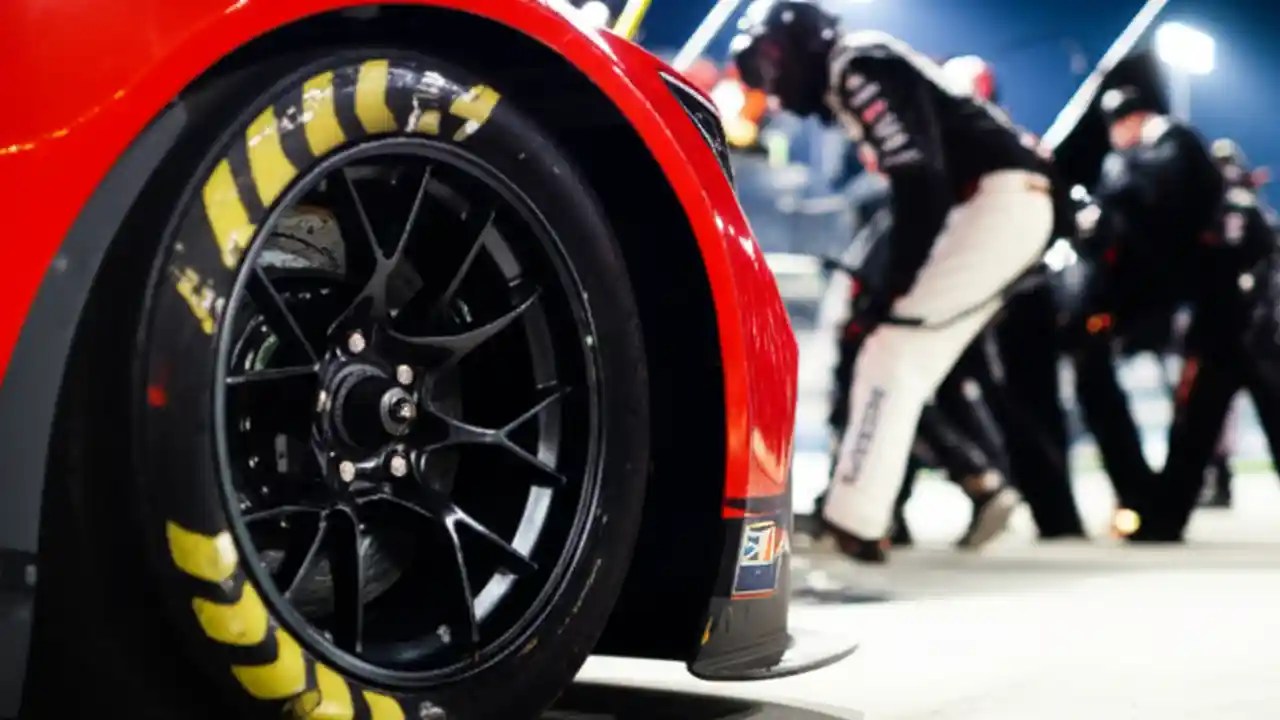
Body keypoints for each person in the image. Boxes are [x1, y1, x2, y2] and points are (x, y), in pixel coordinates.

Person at [732, 0, 1055, 561]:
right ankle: (869, 509)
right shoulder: (860, 68)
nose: (772, 82)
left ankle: (855, 520)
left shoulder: (859, 64)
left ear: (803, 44)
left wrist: (893, 284)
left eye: (772, 61)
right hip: (997, 203)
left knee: (891, 350)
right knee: (902, 357)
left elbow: (918, 177)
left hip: (998, 201)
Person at [1068, 86, 1222, 536]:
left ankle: (1151, 507)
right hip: (1157, 302)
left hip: (1176, 303)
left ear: (1131, 120)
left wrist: (1109, 191)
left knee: (1193, 407)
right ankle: (1149, 507)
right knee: (1186, 412)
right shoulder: (1150, 156)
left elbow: (1149, 203)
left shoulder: (1170, 143)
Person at [1147, 139, 1280, 541]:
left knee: (1192, 433)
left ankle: (1165, 521)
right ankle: (1166, 519)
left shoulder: (1227, 210)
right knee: (1194, 433)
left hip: (1229, 335)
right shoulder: (1254, 211)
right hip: (1252, 338)